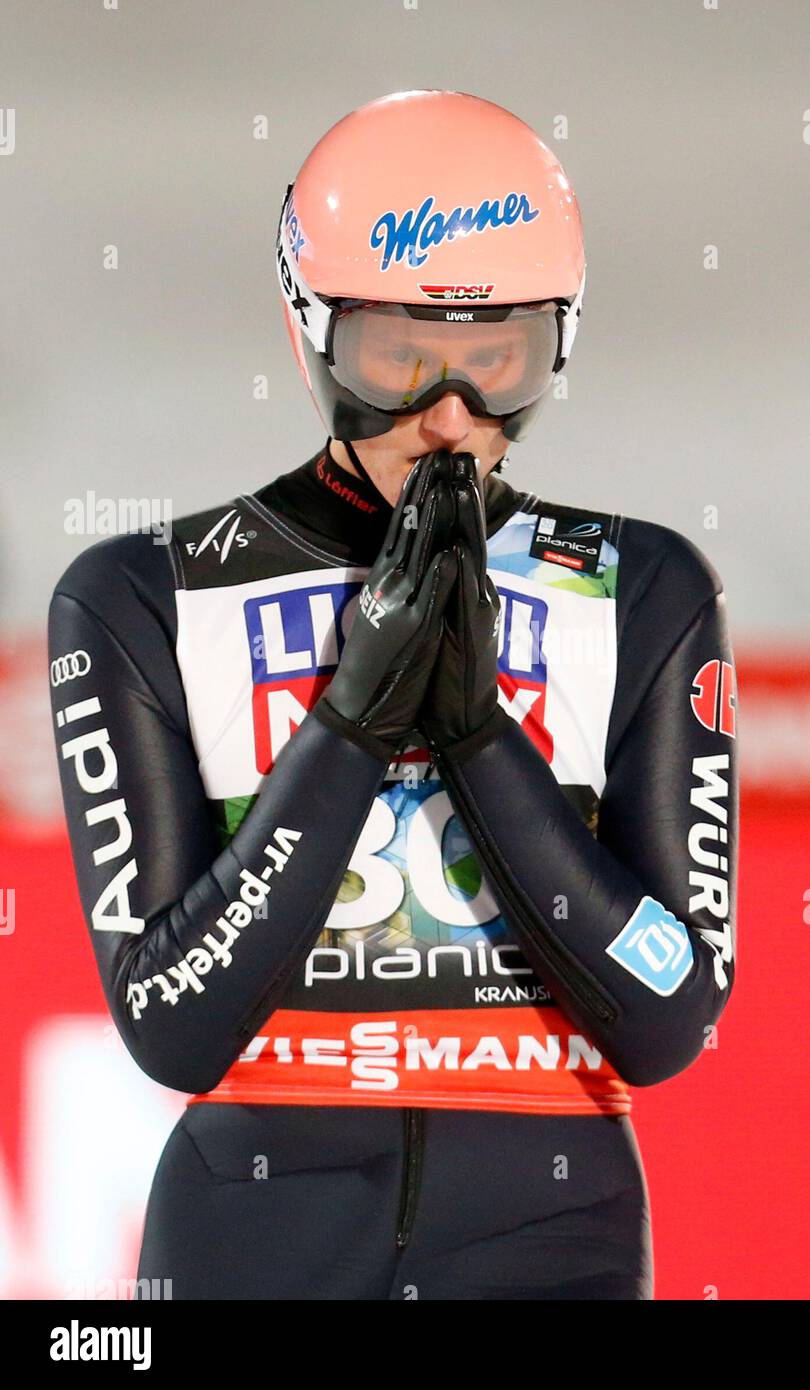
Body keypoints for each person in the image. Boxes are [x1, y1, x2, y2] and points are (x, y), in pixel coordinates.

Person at [47, 90, 738, 1300]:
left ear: (560, 339)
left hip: (552, 1234)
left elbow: (670, 1016)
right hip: (253, 1230)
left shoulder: (645, 587)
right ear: (304, 328)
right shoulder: (136, 596)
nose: (448, 417)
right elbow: (171, 1023)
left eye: (497, 358)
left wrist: (475, 737)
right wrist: (350, 726)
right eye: (396, 355)